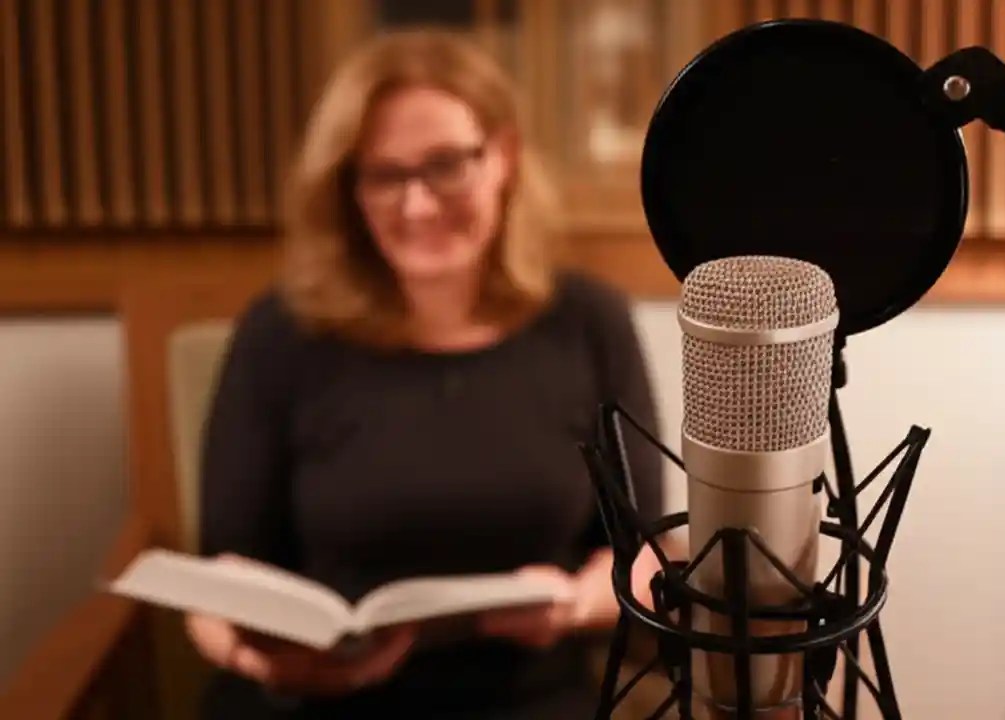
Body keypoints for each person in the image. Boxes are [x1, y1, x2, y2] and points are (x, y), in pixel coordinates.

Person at [185, 28, 667, 719]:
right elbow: (220, 575)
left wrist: (578, 604)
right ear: (349, 187)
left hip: (529, 697)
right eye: (384, 175)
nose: (416, 205)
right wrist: (257, 660)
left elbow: (647, 550)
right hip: (318, 701)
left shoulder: (589, 321)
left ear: (503, 156)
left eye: (445, 165)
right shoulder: (281, 333)